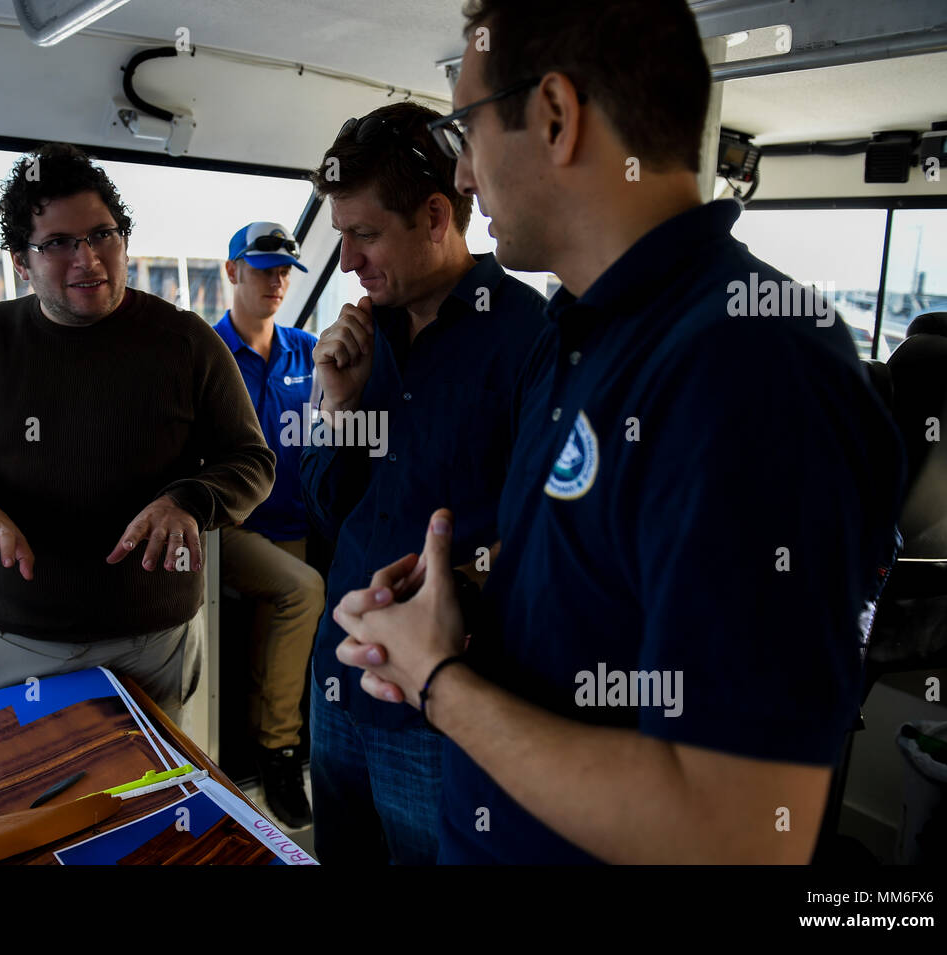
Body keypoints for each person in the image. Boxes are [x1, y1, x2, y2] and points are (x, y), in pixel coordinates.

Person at [331, 0, 906, 863]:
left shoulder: (748, 363)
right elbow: (607, 584)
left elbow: (740, 830)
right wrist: (469, 594)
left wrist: (436, 679)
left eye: (469, 128)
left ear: (556, 117)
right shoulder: (580, 335)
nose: (463, 180)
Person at [0, 143, 275, 725]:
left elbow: (250, 460)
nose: (87, 259)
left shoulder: (187, 341)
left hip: (156, 639)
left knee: (133, 802)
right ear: (21, 262)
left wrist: (189, 500)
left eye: (102, 235)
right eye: (58, 244)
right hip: (21, 636)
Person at [301, 101, 549, 864]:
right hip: (337, 671)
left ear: (437, 215)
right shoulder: (359, 335)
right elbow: (329, 510)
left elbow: (544, 544)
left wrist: (468, 582)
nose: (346, 262)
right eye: (340, 237)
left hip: (436, 701)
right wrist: (335, 410)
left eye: (365, 234)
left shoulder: (530, 340)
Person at [211, 221, 324, 829]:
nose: (275, 280)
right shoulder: (205, 355)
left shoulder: (309, 352)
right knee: (300, 589)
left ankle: (324, 746)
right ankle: (279, 754)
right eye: (261, 268)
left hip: (297, 522)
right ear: (233, 272)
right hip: (228, 527)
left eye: (284, 271)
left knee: (309, 595)